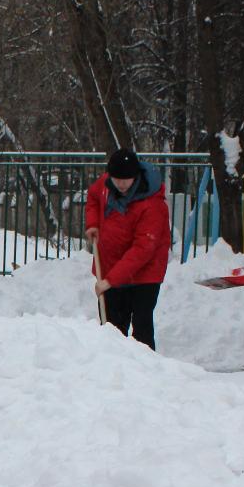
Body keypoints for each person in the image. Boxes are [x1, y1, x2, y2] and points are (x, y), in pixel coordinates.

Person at [83, 148, 170, 348]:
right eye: (117, 179)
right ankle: (112, 370)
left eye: (126, 179)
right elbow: (94, 197)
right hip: (110, 267)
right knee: (111, 330)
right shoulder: (106, 185)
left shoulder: (152, 205)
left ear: (136, 176)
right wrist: (93, 223)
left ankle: (145, 373)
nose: (121, 184)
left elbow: (143, 250)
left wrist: (110, 281)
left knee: (141, 329)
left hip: (144, 274)